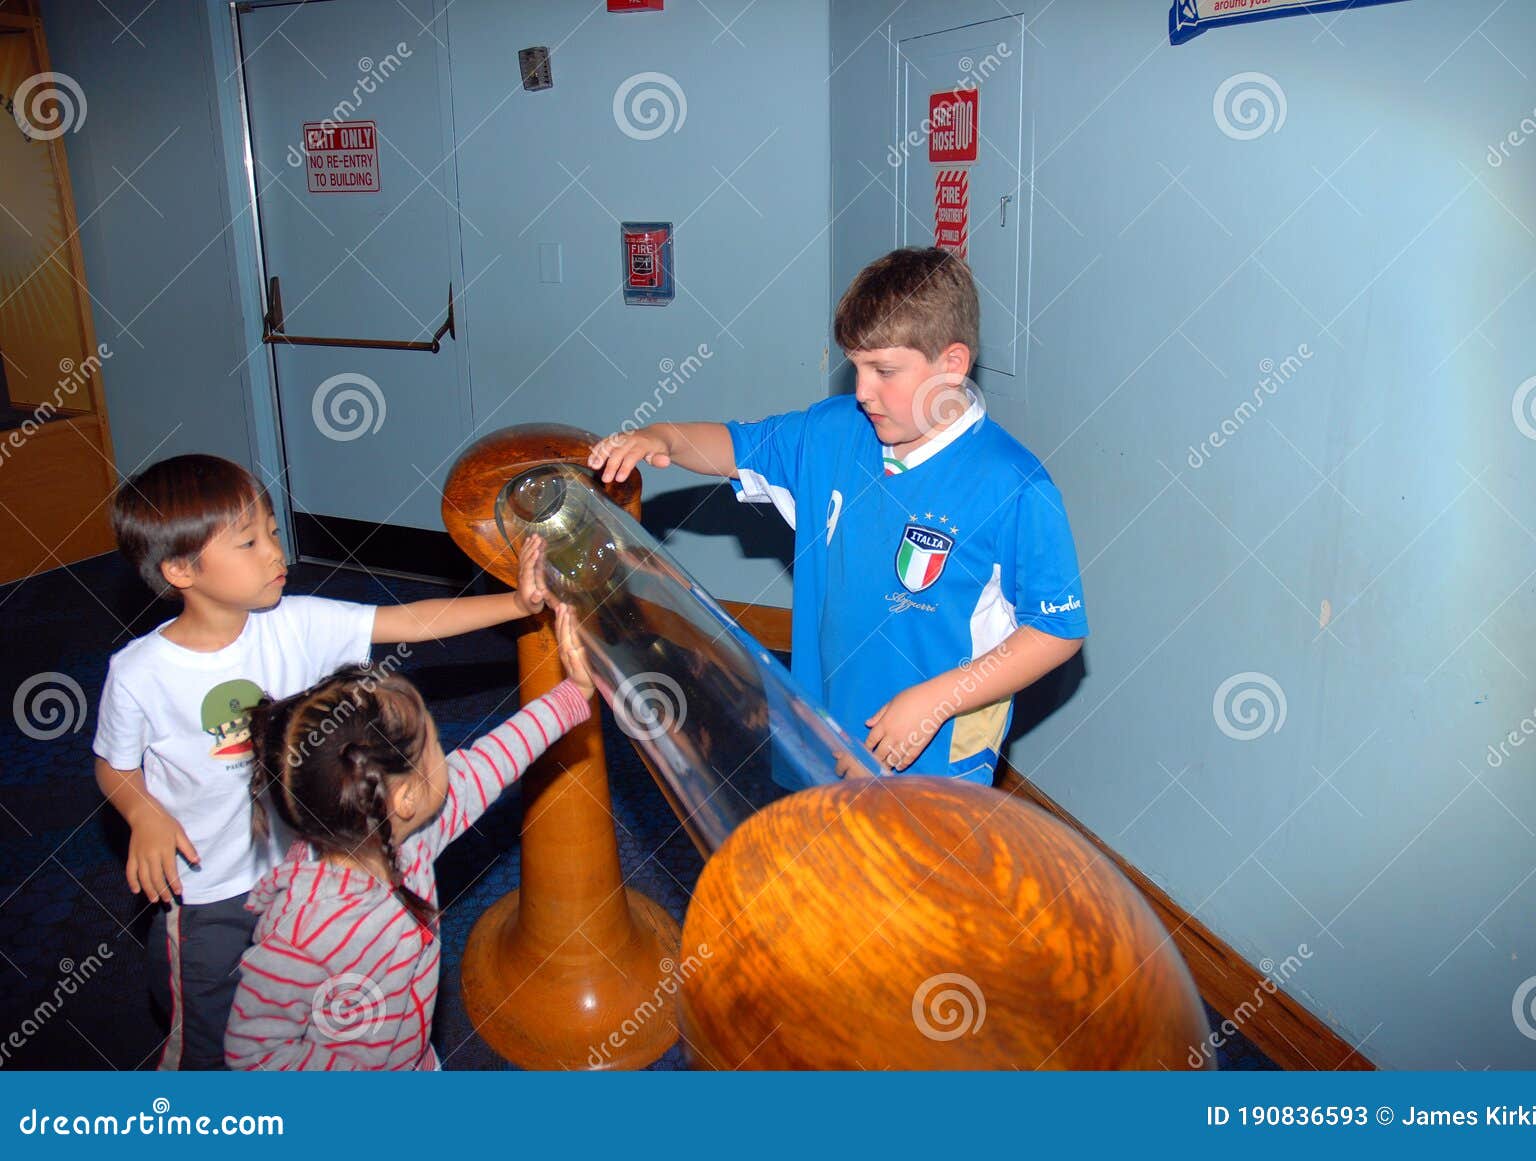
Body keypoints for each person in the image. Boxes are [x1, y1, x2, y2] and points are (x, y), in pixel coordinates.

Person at [91, 454, 548, 1069]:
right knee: (208, 1034)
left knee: (303, 1001)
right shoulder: (139, 673)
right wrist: (142, 813)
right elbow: (113, 765)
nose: (275, 552)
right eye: (249, 542)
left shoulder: (294, 623)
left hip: (305, 867)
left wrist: (517, 606)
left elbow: (407, 620)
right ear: (180, 568)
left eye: (274, 532)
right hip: (205, 894)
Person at [587, 247, 1088, 783]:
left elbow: (1057, 630)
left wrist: (937, 701)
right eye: (856, 366)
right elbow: (739, 446)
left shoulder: (1014, 486)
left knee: (912, 867)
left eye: (883, 370)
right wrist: (662, 436)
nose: (861, 392)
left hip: (933, 754)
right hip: (826, 729)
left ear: (952, 365)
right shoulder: (832, 431)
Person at [224, 603, 593, 1070]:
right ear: (402, 798)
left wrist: (572, 694)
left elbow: (491, 761)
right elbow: (250, 1055)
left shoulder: (409, 836)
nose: (454, 755)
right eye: (438, 747)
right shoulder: (301, 935)